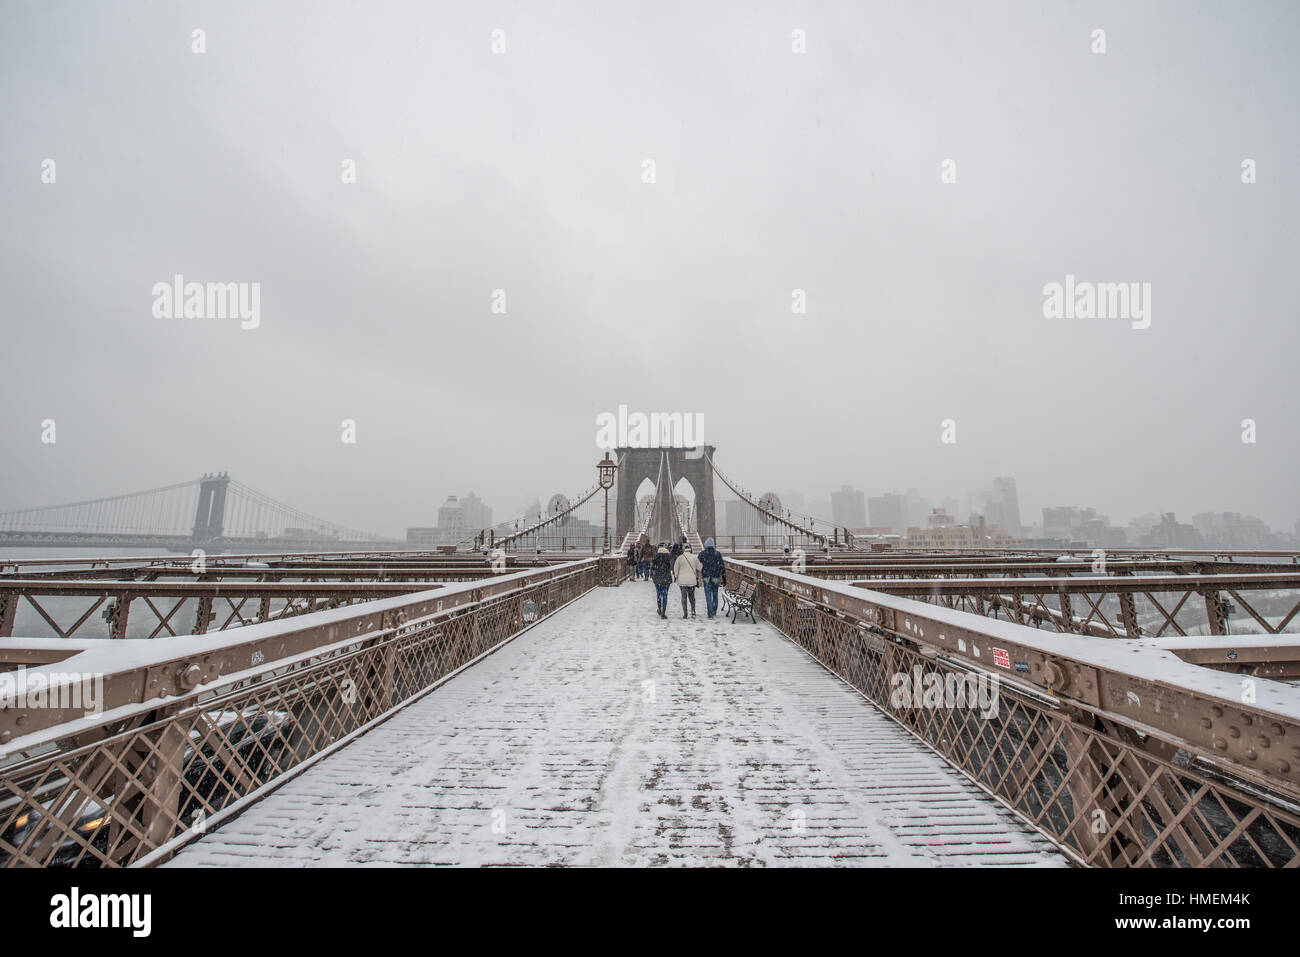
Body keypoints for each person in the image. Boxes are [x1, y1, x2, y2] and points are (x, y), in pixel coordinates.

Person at [699, 537, 726, 618]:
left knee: (708, 595)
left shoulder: (702, 554)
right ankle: (714, 610)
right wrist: (724, 578)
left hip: (706, 576)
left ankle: (710, 612)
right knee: (715, 593)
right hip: (715, 576)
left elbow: (697, 565)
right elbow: (722, 566)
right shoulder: (717, 554)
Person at [673, 544, 702, 618]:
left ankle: (685, 613)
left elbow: (676, 569)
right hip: (692, 580)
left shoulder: (680, 558)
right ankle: (693, 610)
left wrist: (676, 577)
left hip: (682, 581)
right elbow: (700, 568)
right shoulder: (694, 557)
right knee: (692, 597)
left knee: (684, 597)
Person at [650, 544, 674, 618]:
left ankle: (659, 608)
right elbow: (671, 567)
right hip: (666, 578)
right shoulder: (668, 557)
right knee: (665, 594)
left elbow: (652, 568)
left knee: (659, 594)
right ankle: (664, 610)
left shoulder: (655, 557)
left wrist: (653, 575)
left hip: (657, 578)